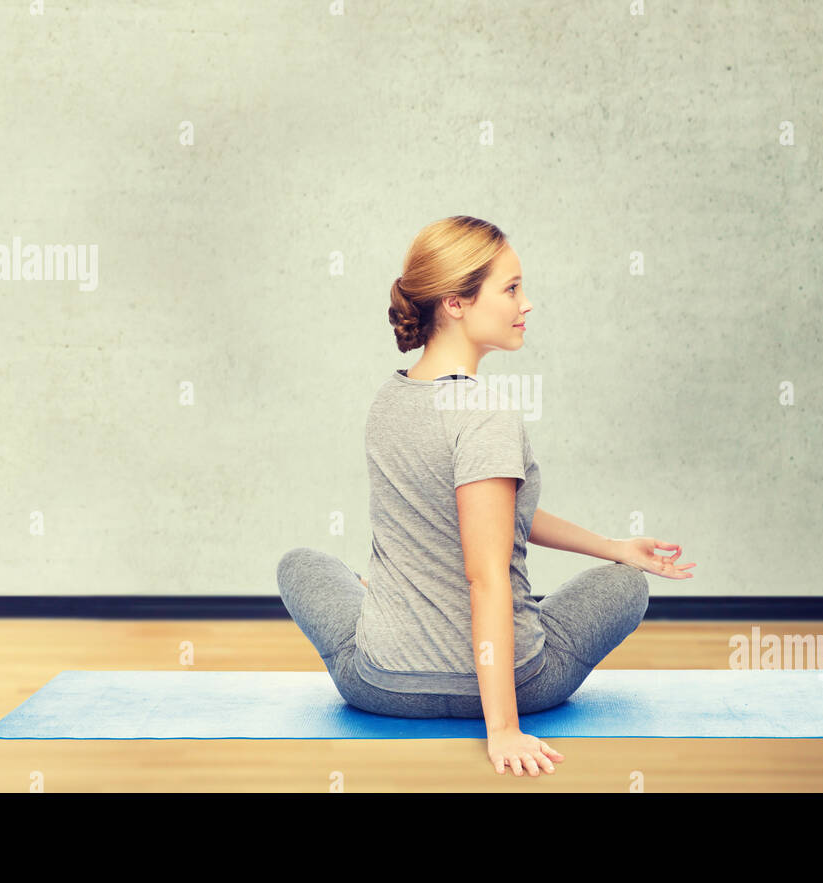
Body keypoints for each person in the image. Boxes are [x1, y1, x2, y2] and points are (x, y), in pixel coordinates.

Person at [276, 215, 695, 777]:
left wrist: (613, 544)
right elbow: (486, 575)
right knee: (625, 588)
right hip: (521, 684)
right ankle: (450, 632)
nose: (526, 303)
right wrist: (503, 728)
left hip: (382, 684)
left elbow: (500, 516)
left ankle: (385, 595)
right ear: (455, 303)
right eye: (512, 288)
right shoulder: (487, 414)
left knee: (300, 564)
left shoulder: (388, 402)